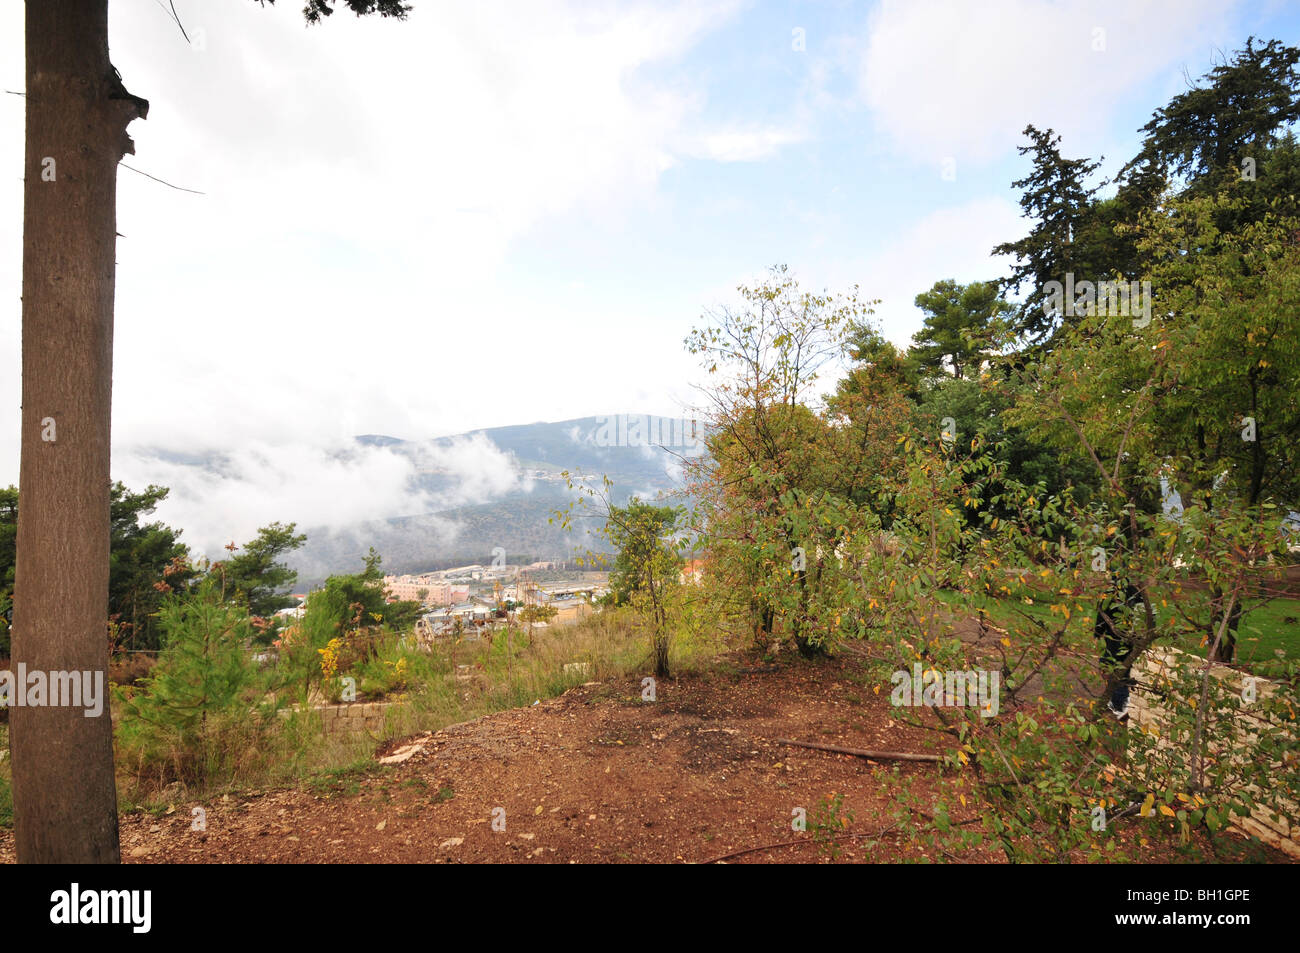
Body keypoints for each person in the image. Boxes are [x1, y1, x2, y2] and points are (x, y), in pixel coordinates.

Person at [1094, 580, 1142, 718]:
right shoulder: (1137, 592)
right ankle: (1116, 701)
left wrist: (1098, 631)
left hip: (1116, 637)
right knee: (1122, 667)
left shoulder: (1112, 592)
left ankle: (1119, 706)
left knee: (1115, 668)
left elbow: (1102, 613)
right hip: (1131, 638)